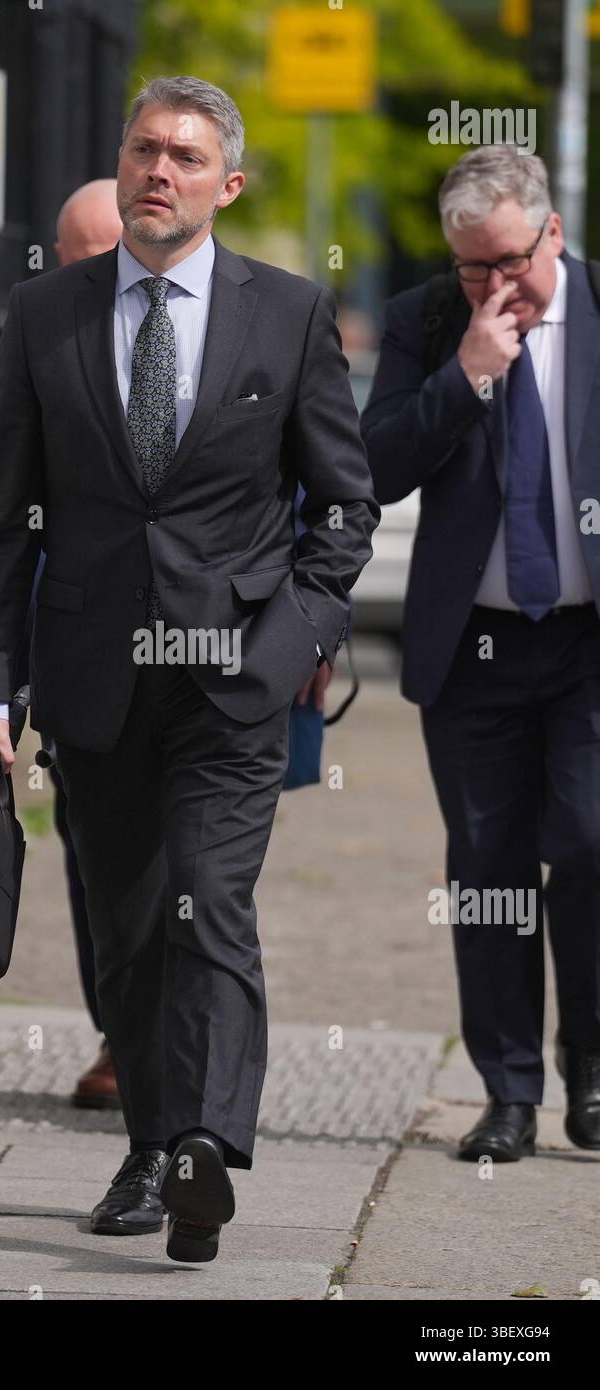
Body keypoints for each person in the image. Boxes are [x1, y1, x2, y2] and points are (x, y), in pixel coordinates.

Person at [0, 74, 378, 1263]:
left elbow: (344, 509)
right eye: (145, 148)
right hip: (93, 681)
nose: (160, 171)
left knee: (212, 904)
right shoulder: (46, 315)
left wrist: (293, 638)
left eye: (187, 157)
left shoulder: (286, 314)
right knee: (130, 934)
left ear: (225, 185)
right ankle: (150, 1145)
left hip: (230, 679)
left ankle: (204, 1147)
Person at [362, 144, 600, 1163]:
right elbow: (368, 466)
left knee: (590, 847)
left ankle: (589, 1073)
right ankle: (506, 1093)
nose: (494, 286)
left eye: (509, 260)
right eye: (472, 267)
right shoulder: (427, 322)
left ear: (551, 230)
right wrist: (462, 376)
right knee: (488, 872)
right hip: (475, 651)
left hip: (587, 641)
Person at [0, 180, 125, 1111]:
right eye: (91, 254)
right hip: (77, 651)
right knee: (97, 858)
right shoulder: (38, 332)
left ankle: (192, 1070)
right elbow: (0, 516)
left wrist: (310, 635)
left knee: (203, 873)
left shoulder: (234, 317)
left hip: (208, 662)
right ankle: (121, 1033)